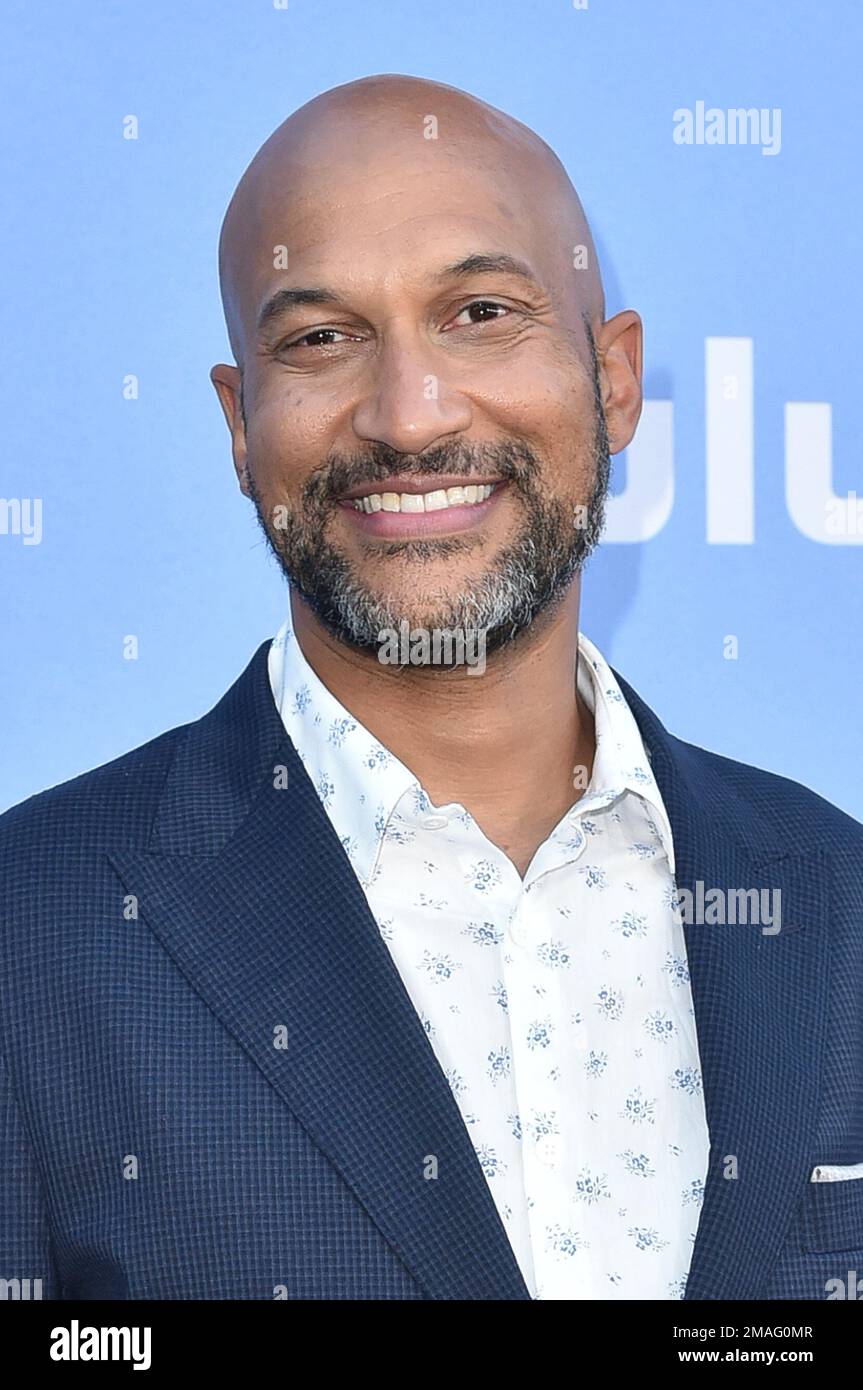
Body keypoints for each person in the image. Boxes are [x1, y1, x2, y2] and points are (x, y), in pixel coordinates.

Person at [2, 74, 861, 1302]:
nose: (408, 416)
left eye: (479, 312)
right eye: (319, 338)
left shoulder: (835, 899)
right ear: (239, 422)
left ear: (612, 380)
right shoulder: (30, 936)